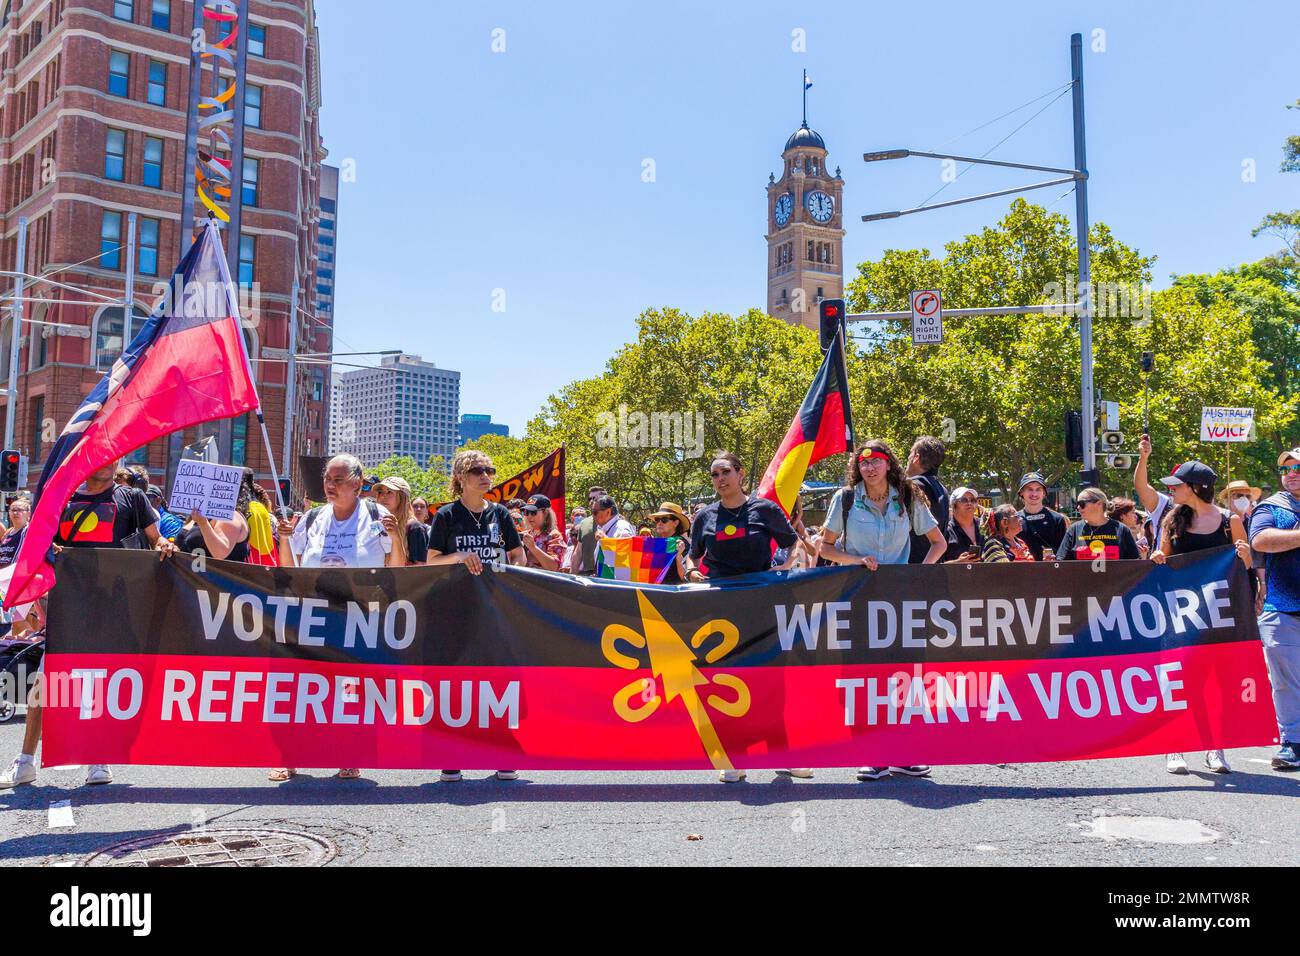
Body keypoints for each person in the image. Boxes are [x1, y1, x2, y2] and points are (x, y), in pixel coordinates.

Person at [0, 460, 163, 790]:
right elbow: (41, 553)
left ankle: (97, 757)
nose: (102, 464)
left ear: (116, 460)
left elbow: (156, 539)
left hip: (116, 606)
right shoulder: (64, 501)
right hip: (70, 604)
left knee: (103, 682)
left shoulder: (132, 499)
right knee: (46, 683)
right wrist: (43, 604)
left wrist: (166, 546)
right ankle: (26, 762)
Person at [819, 439, 945, 782]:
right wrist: (856, 560)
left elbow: (939, 542)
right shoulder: (844, 499)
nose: (869, 468)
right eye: (863, 463)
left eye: (875, 462)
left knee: (902, 674)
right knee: (864, 676)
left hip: (898, 600)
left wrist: (919, 572)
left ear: (889, 464)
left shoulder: (907, 498)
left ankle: (902, 753)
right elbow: (825, 547)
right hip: (857, 597)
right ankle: (871, 754)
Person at [270, 454, 400, 783]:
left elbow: (396, 567)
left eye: (338, 480)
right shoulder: (312, 518)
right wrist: (285, 539)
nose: (330, 485)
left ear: (357, 484)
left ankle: (350, 754)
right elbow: (290, 568)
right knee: (303, 688)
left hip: (358, 616)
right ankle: (291, 756)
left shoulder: (376, 516)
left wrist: (396, 538)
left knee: (352, 689)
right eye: (328, 478)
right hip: (313, 615)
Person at [685, 452, 798, 783]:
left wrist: (785, 566)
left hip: (762, 606)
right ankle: (734, 757)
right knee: (727, 683)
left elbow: (793, 544)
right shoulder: (705, 516)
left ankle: (784, 755)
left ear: (740, 474)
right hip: (721, 613)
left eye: (725, 472)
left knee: (771, 681)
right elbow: (692, 557)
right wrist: (692, 573)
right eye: (714, 475)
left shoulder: (764, 510)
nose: (720, 479)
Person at [427, 450, 524, 782]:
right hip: (457, 608)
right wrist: (460, 556)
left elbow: (517, 554)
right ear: (461, 478)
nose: (486, 476)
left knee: (498, 680)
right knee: (458, 681)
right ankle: (453, 754)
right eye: (477, 470)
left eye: (490, 470)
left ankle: (502, 752)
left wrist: (509, 571)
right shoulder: (446, 515)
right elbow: (431, 561)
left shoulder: (501, 515)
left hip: (495, 607)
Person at [1149, 461, 1249, 775]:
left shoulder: (1229, 521)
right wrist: (1157, 557)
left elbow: (1246, 566)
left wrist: (1245, 554)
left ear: (1195, 488)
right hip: (1180, 615)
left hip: (1220, 615)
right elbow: (1162, 558)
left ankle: (1214, 748)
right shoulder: (1171, 520)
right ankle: (1174, 746)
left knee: (1217, 686)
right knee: (1179, 682)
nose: (1171, 490)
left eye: (1176, 485)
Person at [1248, 447, 1300, 771]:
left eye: (1298, 468)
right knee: (1286, 682)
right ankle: (1293, 743)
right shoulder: (1271, 507)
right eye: (1286, 469)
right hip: (1281, 609)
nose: (1291, 474)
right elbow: (1260, 540)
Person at [1056, 488, 1140, 561]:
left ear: (1099, 504)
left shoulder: (1121, 530)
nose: (1078, 507)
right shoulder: (1074, 529)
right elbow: (1062, 562)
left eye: (1082, 504)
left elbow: (1134, 563)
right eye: (1076, 504)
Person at [1220, 479, 1265, 605]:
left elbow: (1260, 556)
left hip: (1248, 580)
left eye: (1247, 496)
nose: (1244, 499)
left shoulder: (1256, 523)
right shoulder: (1219, 522)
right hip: (1223, 582)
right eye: (1239, 495)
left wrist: (1262, 583)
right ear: (1228, 500)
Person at [907, 436, 949, 563]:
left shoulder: (912, 487)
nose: (908, 459)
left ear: (916, 458)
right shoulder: (943, 490)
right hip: (934, 568)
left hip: (911, 570)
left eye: (909, 454)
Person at [375, 476, 428, 566]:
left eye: (389, 492)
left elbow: (420, 568)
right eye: (380, 492)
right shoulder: (375, 523)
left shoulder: (414, 527)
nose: (383, 496)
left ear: (402, 497)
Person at [1134, 433, 1174, 550]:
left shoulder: (1214, 515)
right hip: (1163, 567)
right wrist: (1143, 458)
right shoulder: (1165, 505)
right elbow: (1142, 487)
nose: (1173, 488)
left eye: (1179, 484)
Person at [1016, 471, 1068, 561]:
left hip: (1050, 572)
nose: (1034, 494)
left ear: (1044, 493)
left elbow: (1064, 552)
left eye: (1038, 489)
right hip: (1022, 572)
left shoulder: (1057, 519)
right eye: (1029, 489)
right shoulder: (1014, 520)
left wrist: (1055, 558)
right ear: (1021, 492)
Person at [647, 500, 691, 583]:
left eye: (664, 520)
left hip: (675, 593)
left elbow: (685, 577)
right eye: (657, 520)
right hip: (656, 591)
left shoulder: (680, 543)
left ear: (676, 523)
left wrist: (678, 556)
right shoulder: (658, 543)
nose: (659, 523)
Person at [520, 493, 565, 571]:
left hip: (543, 582)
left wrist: (533, 548)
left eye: (533, 512)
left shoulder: (554, 536)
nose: (529, 516)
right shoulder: (525, 534)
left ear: (545, 513)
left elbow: (554, 567)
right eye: (526, 512)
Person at [569, 487, 607, 576]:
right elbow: (578, 552)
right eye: (590, 498)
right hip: (586, 576)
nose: (592, 501)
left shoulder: (615, 521)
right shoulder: (584, 523)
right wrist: (571, 576)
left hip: (607, 576)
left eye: (596, 498)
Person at [943, 486, 984, 562]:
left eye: (973, 500)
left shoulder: (984, 526)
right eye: (964, 500)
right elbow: (936, 565)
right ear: (953, 505)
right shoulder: (946, 530)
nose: (969, 503)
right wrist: (957, 562)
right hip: (957, 574)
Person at [0, 496, 30, 568]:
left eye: (19, 510)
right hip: (3, 574)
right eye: (13, 510)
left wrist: (52, 545)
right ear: (9, 513)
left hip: (16, 574)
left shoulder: (29, 529)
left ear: (28, 513)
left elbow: (41, 539)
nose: (15, 513)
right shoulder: (8, 532)